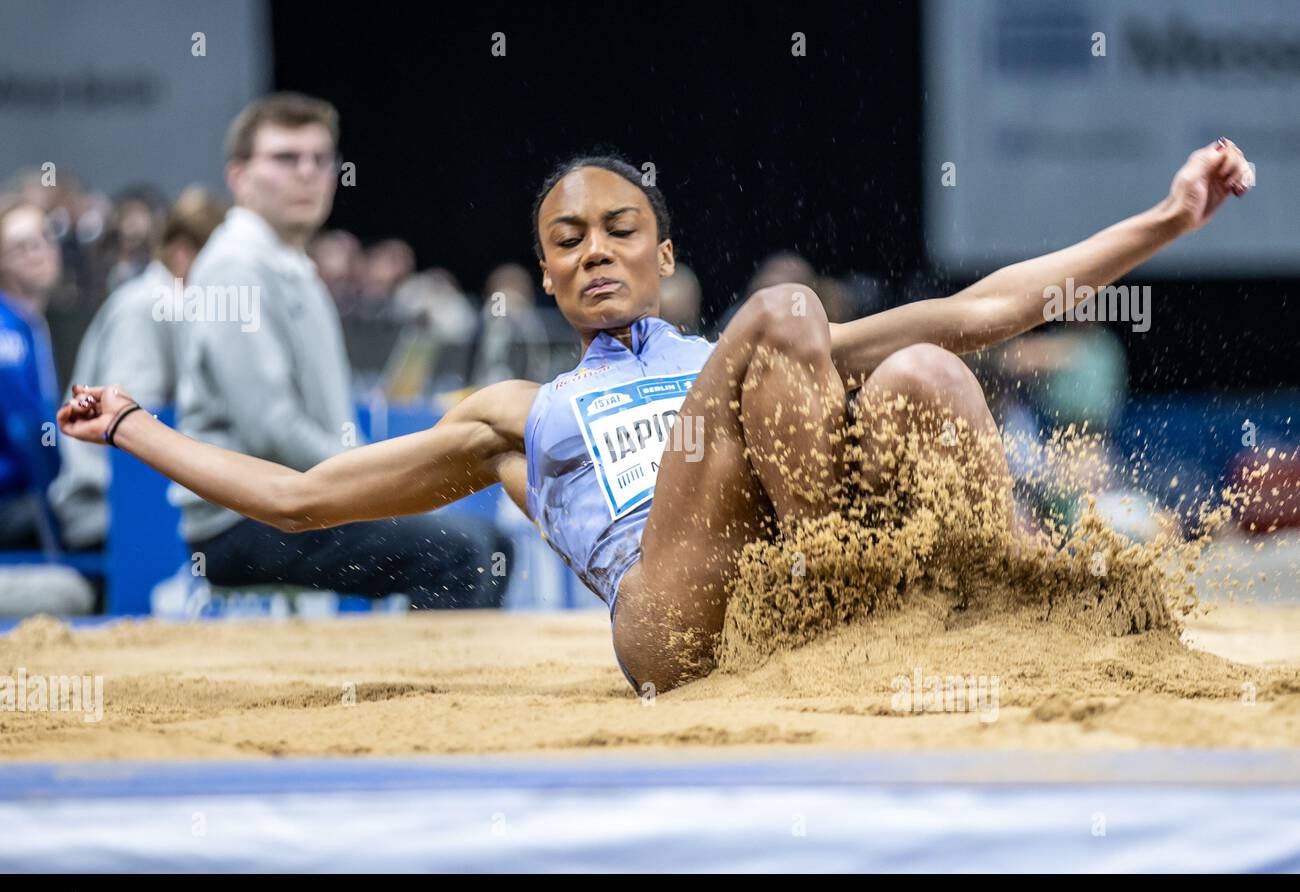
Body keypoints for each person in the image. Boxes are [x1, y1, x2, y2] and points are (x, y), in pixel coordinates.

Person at [59, 139, 1254, 690]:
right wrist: (132, 426)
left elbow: (984, 309)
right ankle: (856, 589)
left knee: (923, 376)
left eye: (618, 230)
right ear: (545, 275)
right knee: (784, 311)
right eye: (566, 240)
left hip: (778, 562)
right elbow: (301, 500)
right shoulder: (519, 410)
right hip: (670, 620)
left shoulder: (748, 359)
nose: (593, 251)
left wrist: (1166, 219)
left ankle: (1001, 608)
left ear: (663, 253)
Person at [158, 92, 508, 608]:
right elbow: (271, 429)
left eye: (321, 159)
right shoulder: (235, 266)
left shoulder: (291, 266)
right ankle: (427, 669)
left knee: (488, 544)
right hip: (245, 520)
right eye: (286, 158)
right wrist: (380, 484)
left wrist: (376, 484)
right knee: (463, 552)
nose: (308, 173)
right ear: (239, 177)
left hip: (298, 504)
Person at [48, 187, 229, 550]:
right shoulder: (144, 308)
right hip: (106, 508)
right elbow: (131, 431)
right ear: (182, 253)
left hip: (145, 502)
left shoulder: (176, 308)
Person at [0, 200, 62, 549]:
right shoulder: (6, 334)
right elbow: (28, 432)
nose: (37, 253)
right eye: (21, 246)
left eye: (44, 239)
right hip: (13, 504)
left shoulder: (32, 325)